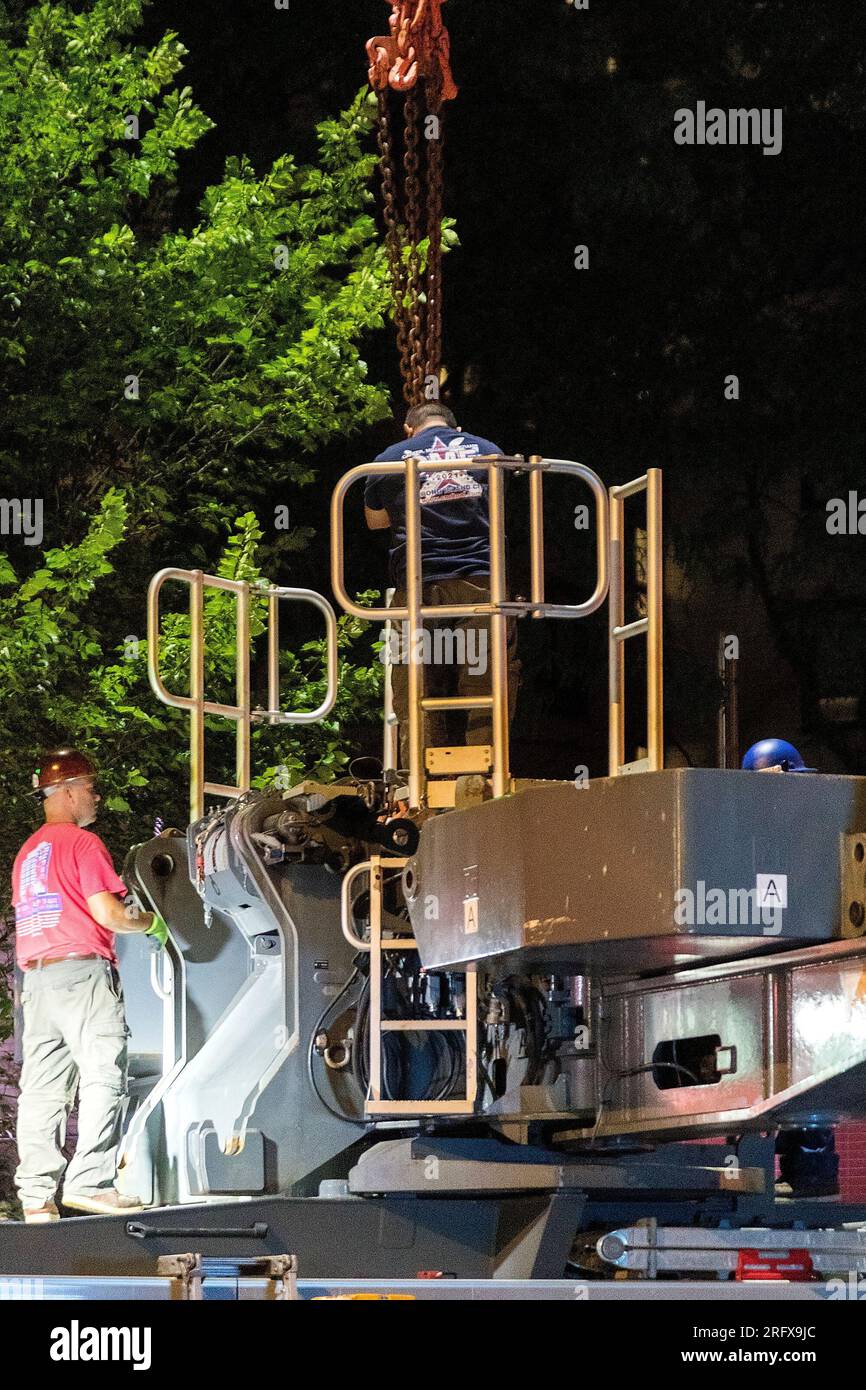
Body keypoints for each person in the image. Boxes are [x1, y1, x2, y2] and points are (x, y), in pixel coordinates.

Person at [12, 749, 167, 1222]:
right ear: (69, 791)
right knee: (104, 1076)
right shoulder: (82, 844)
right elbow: (109, 915)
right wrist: (153, 923)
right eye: (92, 788)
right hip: (82, 975)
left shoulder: (27, 854)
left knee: (41, 1091)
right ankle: (90, 1182)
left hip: (37, 980)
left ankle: (36, 1197)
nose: (96, 796)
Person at [365, 402, 520, 772]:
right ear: (457, 427)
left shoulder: (387, 459)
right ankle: (485, 773)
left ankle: (422, 774)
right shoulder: (488, 451)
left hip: (418, 586)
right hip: (483, 582)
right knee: (487, 678)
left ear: (408, 429)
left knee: (415, 676)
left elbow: (375, 522)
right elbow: (497, 503)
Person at [741, 737, 839, 1199]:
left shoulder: (808, 833)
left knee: (809, 1075)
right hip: (780, 964)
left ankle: (812, 1169)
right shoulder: (759, 838)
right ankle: (802, 1167)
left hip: (811, 966)